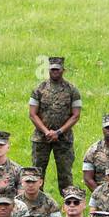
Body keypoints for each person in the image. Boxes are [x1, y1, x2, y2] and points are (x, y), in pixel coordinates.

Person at [28, 56, 82, 196]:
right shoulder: (38, 89)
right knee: (37, 175)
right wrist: (46, 132)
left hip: (64, 140)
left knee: (65, 176)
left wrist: (58, 132)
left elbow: (75, 115)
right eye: (52, 70)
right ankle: (36, 206)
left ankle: (69, 206)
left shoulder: (72, 90)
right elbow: (33, 114)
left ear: (63, 70)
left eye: (57, 70)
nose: (55, 72)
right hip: (41, 139)